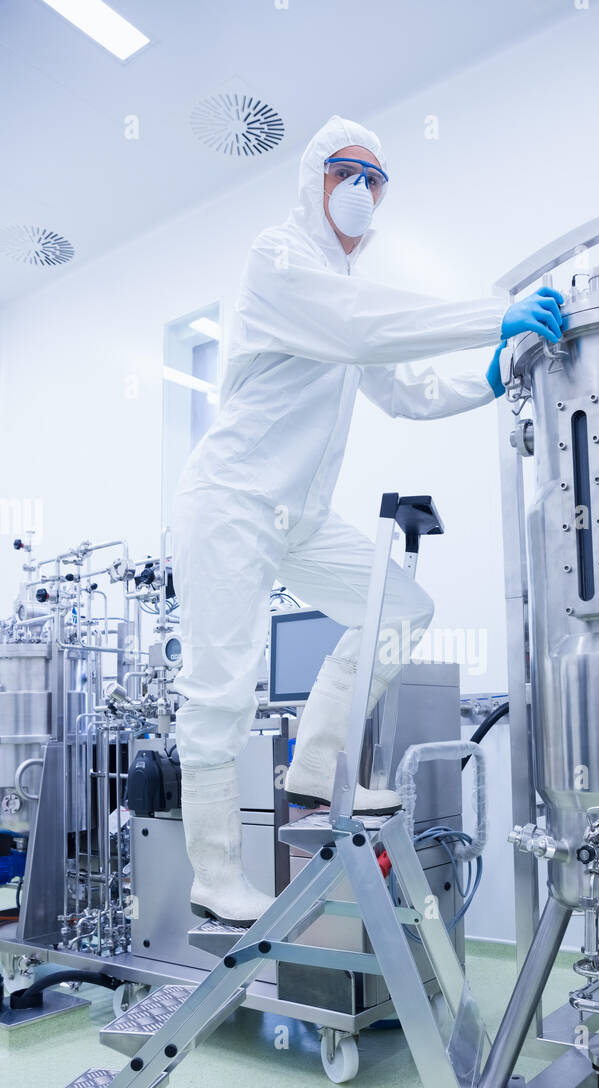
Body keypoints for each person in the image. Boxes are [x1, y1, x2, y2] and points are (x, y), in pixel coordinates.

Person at [171, 113, 564, 926]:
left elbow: (405, 386)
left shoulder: (343, 300)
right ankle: (213, 871)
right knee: (221, 688)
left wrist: (489, 376)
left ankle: (317, 766)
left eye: (376, 181)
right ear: (312, 181)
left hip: (297, 517)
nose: (361, 192)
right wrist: (495, 311)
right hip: (230, 498)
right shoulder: (279, 263)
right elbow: (363, 329)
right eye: (346, 173)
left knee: (403, 609)